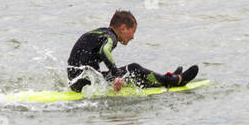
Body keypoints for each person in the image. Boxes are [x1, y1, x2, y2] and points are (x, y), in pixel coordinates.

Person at [66, 10, 198, 92]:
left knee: (131, 77)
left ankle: (165, 79)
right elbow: (104, 51)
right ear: (123, 28)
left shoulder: (101, 33)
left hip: (78, 81)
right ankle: (173, 81)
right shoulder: (110, 37)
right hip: (84, 83)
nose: (133, 37)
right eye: (132, 31)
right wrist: (116, 74)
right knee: (134, 69)